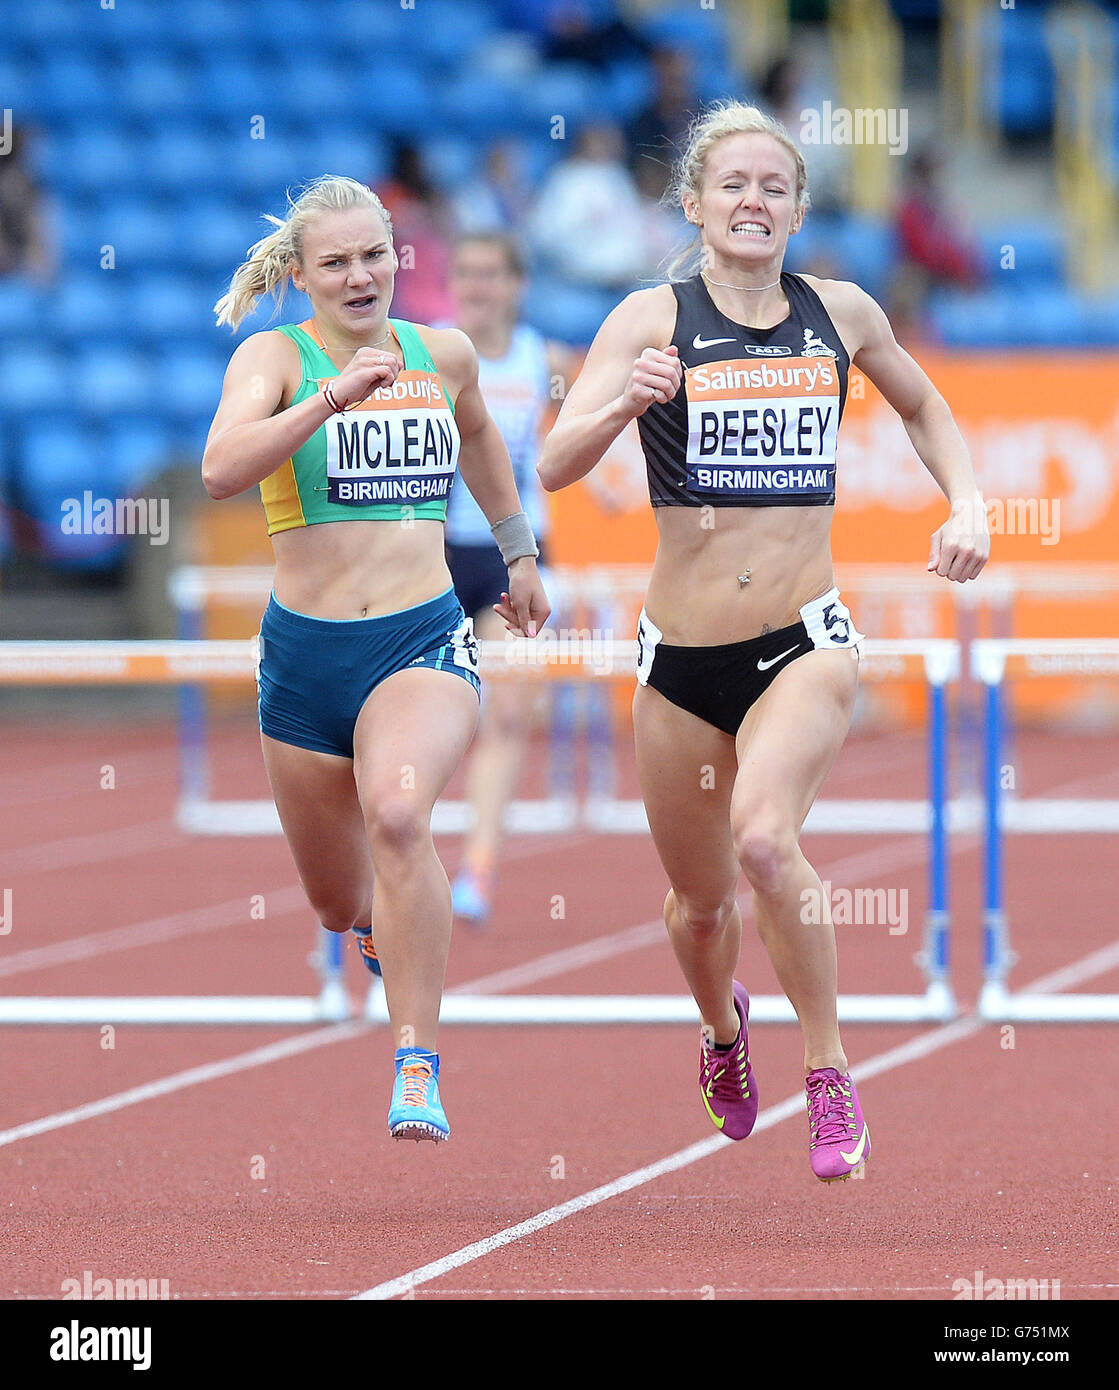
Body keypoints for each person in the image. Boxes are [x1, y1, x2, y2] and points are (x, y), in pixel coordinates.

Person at [538, 103, 988, 1181]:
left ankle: (828, 1073)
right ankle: (724, 1031)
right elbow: (553, 463)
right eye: (731, 185)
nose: (753, 202)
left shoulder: (839, 311)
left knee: (763, 841)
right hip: (679, 662)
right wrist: (616, 410)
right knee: (699, 909)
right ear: (692, 203)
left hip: (805, 640)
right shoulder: (648, 320)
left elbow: (926, 409)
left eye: (773, 186)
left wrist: (967, 504)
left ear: (798, 206)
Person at [203, 176, 550, 1143]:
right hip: (307, 659)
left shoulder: (440, 353)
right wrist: (326, 400)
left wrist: (517, 550)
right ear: (303, 276)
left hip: (420, 636)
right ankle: (371, 928)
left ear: (402, 257)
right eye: (337, 263)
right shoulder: (274, 357)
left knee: (399, 812)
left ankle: (415, 1061)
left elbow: (480, 433)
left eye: (375, 256)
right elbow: (221, 469)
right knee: (335, 898)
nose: (361, 277)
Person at [442, 232, 575, 925]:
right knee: (418, 717)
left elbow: (586, 429)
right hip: (431, 550)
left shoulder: (544, 360)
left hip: (512, 551)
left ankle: (478, 869)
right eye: (466, 272)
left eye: (491, 273)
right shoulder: (425, 352)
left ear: (517, 284)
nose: (478, 286)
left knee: (510, 710)